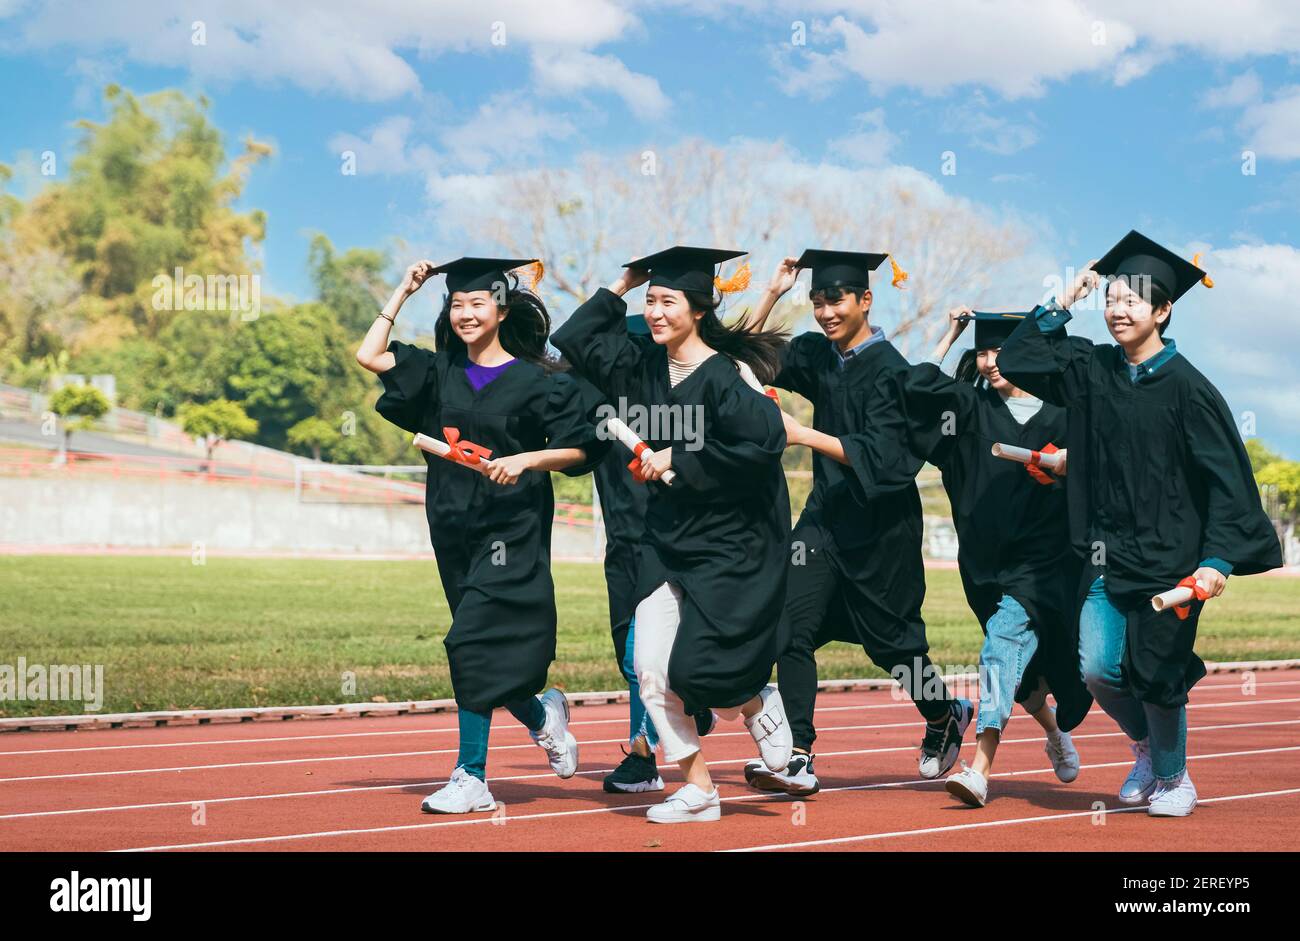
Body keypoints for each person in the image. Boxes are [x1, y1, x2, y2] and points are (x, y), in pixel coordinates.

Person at [997, 231, 1284, 816]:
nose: (1116, 310)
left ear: (1162, 310)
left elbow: (1229, 482)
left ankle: (1176, 780)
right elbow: (1015, 358)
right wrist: (1066, 299)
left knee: (1157, 673)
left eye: (1131, 300)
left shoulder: (1191, 390)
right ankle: (1150, 750)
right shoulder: (1092, 368)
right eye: (1110, 298)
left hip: (1172, 559)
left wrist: (1217, 561)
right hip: (1105, 554)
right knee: (1099, 669)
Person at [356, 257, 607, 814]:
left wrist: (526, 460)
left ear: (501, 308)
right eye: (457, 304)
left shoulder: (538, 380)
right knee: (486, 656)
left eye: (477, 302)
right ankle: (545, 718)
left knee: (469, 644)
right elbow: (369, 355)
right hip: (451, 527)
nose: (465, 313)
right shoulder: (438, 370)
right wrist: (402, 289)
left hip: (511, 530)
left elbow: (584, 447)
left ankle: (471, 777)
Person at [552, 245, 794, 823]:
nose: (655, 311)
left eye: (667, 301)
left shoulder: (727, 377)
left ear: (699, 308)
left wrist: (680, 459)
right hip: (665, 542)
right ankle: (699, 787)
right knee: (650, 669)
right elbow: (572, 336)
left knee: (697, 671)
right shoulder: (637, 365)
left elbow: (763, 445)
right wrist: (625, 279)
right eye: (650, 300)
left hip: (727, 545)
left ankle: (756, 699)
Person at [743, 250, 973, 797]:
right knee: (787, 627)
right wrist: (774, 291)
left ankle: (944, 714)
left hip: (881, 530)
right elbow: (744, 357)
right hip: (824, 521)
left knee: (896, 650)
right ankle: (797, 754)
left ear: (864, 300)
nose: (825, 310)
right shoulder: (818, 356)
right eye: (817, 300)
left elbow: (887, 456)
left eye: (836, 299)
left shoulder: (894, 372)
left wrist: (802, 435)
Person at [875, 307, 1091, 806]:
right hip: (983, 567)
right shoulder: (966, 412)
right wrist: (950, 332)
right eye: (984, 351)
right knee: (1022, 678)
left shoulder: (1063, 413)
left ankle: (979, 769)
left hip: (1044, 566)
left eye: (1002, 350)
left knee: (998, 650)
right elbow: (916, 385)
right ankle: (1055, 733)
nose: (992, 361)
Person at [574, 340, 718, 796]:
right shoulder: (597, 412)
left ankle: (643, 755)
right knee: (627, 655)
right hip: (621, 548)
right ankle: (694, 703)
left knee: (643, 656)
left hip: (666, 546)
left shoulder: (673, 408)